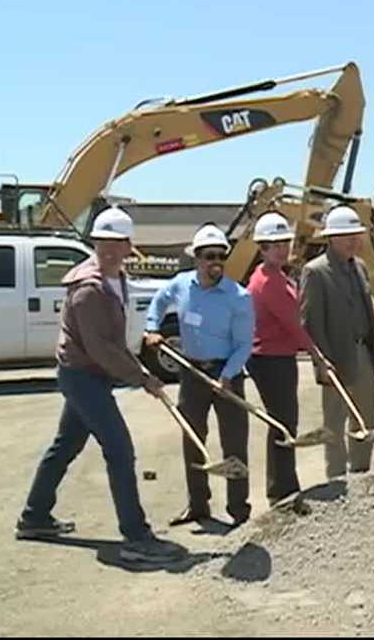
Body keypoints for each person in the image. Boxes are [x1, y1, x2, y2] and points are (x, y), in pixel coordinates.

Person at [17, 207, 182, 562]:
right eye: (101, 243)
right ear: (94, 243)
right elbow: (99, 347)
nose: (108, 250)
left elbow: (113, 343)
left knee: (65, 446)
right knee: (119, 450)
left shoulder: (116, 279)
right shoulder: (88, 290)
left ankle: (34, 517)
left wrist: (137, 368)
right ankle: (136, 536)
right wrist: (141, 378)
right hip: (82, 376)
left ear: (128, 247)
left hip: (88, 373)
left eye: (116, 244)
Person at [145, 223, 254, 527]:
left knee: (234, 443)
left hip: (226, 373)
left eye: (221, 256)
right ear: (196, 258)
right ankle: (197, 505)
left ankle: (239, 511)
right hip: (191, 372)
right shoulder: (180, 284)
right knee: (192, 438)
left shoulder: (239, 297)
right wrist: (152, 327)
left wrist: (227, 375)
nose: (216, 262)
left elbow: (245, 343)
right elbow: (159, 301)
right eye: (209, 256)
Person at [300, 205, 374, 482]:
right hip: (335, 359)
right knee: (335, 425)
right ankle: (336, 480)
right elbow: (310, 322)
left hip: (362, 352)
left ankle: (360, 475)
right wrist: (322, 362)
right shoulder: (316, 272)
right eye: (347, 235)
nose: (355, 240)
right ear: (331, 238)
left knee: (366, 420)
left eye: (357, 234)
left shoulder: (359, 267)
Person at [245, 211, 320, 508]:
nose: (282, 248)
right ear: (261, 248)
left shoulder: (278, 276)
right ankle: (282, 492)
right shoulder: (268, 282)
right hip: (270, 359)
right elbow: (293, 324)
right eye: (274, 244)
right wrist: (317, 355)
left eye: (284, 242)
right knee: (283, 424)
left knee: (284, 421)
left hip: (278, 357)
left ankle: (284, 487)